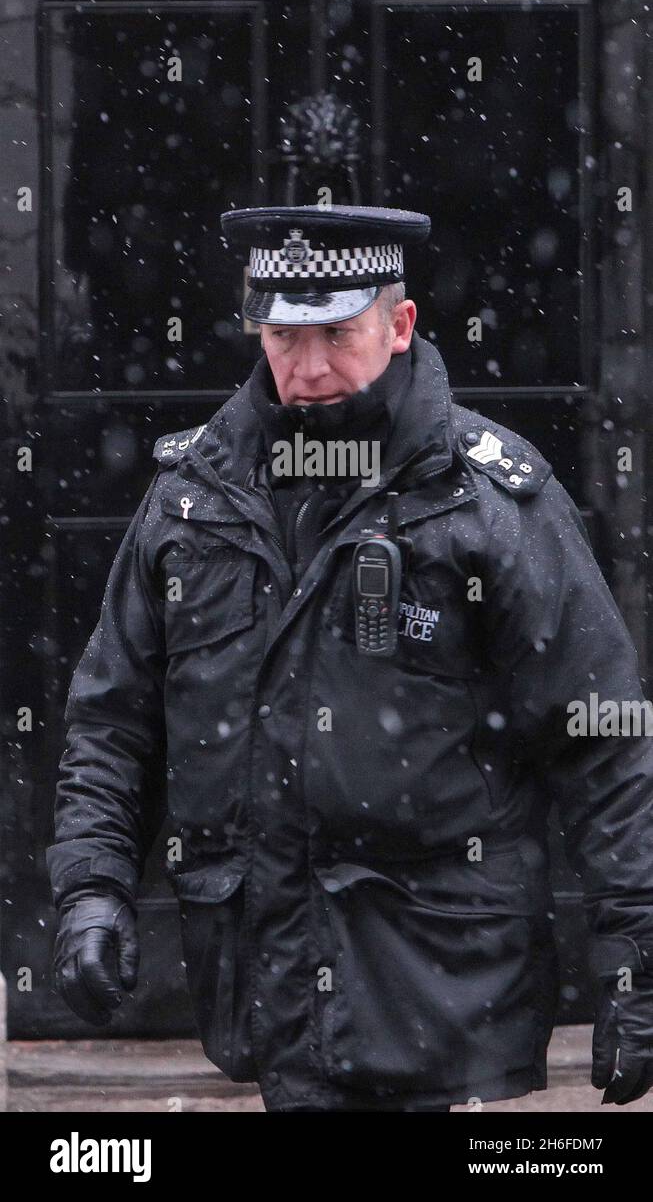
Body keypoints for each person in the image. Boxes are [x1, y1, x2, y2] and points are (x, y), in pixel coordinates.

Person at [48, 204, 653, 1113]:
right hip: (264, 981)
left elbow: (600, 734)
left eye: (338, 331)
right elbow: (113, 723)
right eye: (285, 336)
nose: (311, 367)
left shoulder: (486, 502)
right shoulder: (191, 501)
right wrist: (92, 889)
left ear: (398, 323)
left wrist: (639, 954)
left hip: (442, 988)